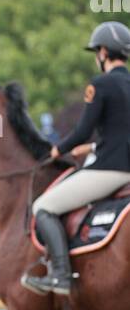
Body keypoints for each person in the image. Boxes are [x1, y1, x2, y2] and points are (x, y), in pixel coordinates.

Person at [22, 22, 130, 295]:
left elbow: (82, 130)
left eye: (97, 52)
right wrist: (93, 147)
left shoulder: (100, 84)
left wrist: (59, 150)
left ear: (103, 52)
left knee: (44, 207)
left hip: (111, 170)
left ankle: (60, 275)